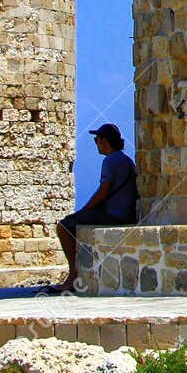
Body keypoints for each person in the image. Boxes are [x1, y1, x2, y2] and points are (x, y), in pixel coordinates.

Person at [49, 124, 138, 294]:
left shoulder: (110, 161)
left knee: (64, 226)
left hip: (113, 215)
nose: (96, 143)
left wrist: (83, 211)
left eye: (97, 139)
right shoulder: (126, 160)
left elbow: (102, 192)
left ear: (104, 141)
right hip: (126, 214)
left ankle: (72, 276)